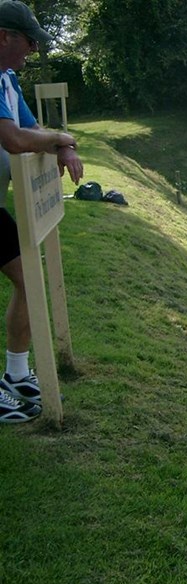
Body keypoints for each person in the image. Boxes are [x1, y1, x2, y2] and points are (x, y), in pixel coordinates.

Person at [0, 0, 83, 424]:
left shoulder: (8, 82)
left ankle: (14, 377)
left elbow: (33, 130)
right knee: (26, 278)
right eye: (30, 42)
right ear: (4, 36)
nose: (33, 50)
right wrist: (63, 137)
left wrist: (63, 145)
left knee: (28, 279)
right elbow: (15, 140)